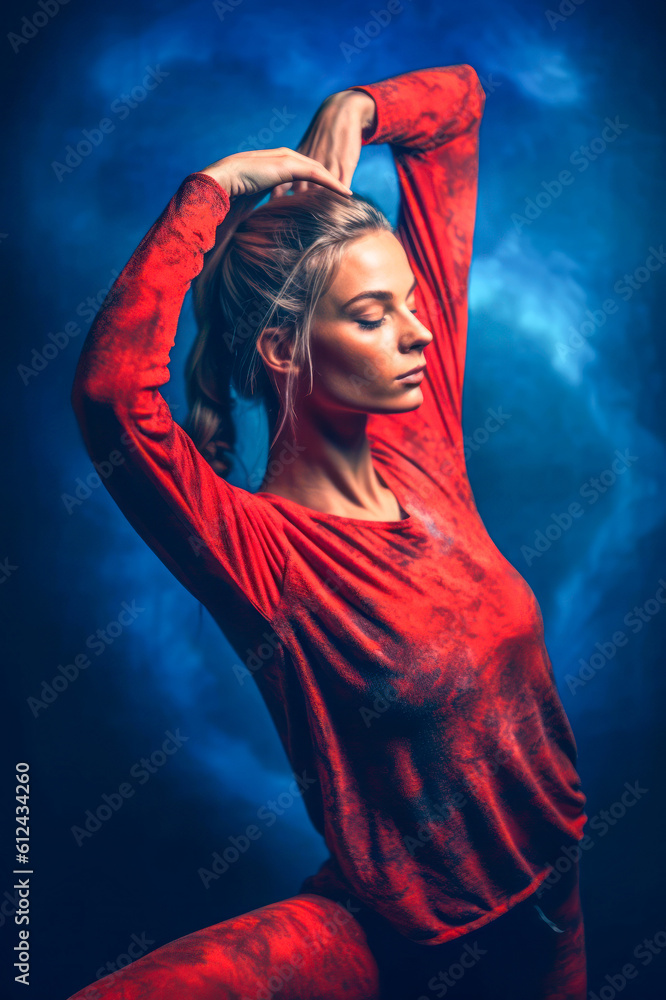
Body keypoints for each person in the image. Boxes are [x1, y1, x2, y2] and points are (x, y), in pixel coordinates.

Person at [66, 64, 588, 1000]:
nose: (419, 334)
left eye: (412, 303)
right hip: (405, 947)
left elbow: (458, 110)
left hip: (557, 924)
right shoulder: (256, 550)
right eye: (373, 314)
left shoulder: (418, 442)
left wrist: (358, 110)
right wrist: (215, 191)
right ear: (282, 350)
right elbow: (113, 398)